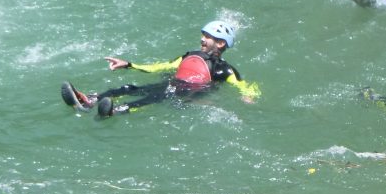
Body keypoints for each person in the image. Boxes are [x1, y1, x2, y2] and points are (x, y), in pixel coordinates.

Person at [61, 20, 257, 118]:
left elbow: (242, 84)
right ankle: (90, 101)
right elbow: (161, 66)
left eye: (208, 37)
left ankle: (117, 111)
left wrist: (249, 96)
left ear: (221, 43)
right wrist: (130, 64)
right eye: (203, 35)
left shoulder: (224, 70)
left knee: (152, 99)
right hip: (172, 84)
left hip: (186, 94)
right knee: (130, 88)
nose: (202, 39)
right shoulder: (189, 55)